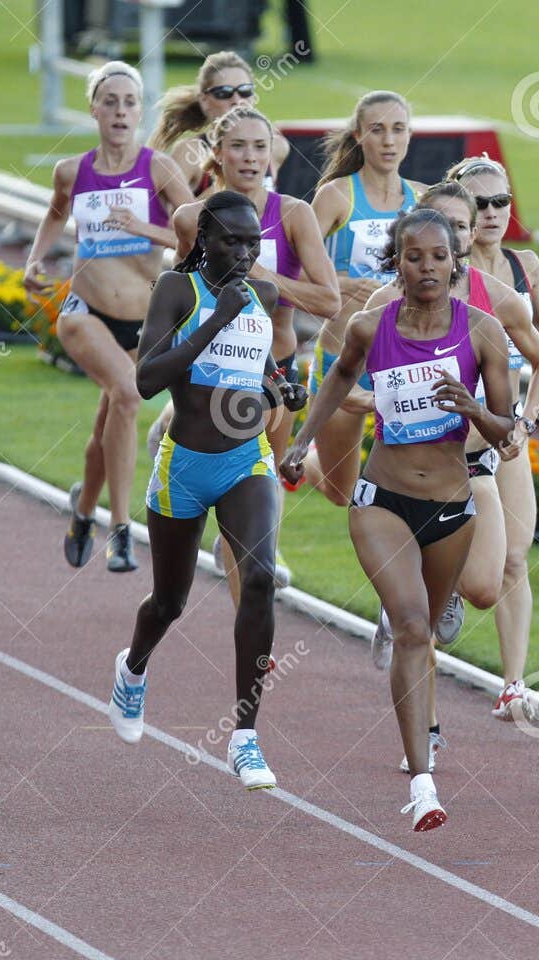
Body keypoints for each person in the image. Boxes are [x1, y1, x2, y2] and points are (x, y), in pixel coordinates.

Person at [281, 208, 514, 831]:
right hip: (381, 498)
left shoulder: (484, 332)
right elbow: (337, 381)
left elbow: (507, 431)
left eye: (439, 256)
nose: (428, 267)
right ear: (398, 262)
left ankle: (414, 683)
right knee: (413, 626)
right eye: (415, 256)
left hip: (452, 507)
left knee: (427, 631)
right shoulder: (369, 327)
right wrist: (303, 442)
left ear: (455, 262)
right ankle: (423, 782)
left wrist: (471, 408)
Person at [108, 191, 307, 790]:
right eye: (233, 241)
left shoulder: (265, 297)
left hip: (246, 460)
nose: (246, 254)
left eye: (255, 244)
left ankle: (245, 736)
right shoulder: (177, 290)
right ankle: (133, 669)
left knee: (262, 577)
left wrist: (284, 386)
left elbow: (262, 365)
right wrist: (215, 318)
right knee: (167, 603)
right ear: (204, 241)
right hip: (184, 467)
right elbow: (146, 380)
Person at [359, 181, 539, 764]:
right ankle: (430, 726)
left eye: (460, 229)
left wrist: (520, 419)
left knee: (484, 586)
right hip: (409, 468)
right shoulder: (385, 308)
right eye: (434, 231)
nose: (446, 243)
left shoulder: (497, 302)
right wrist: (387, 404)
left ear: (462, 242)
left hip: (477, 457)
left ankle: (421, 606)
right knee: (422, 622)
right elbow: (348, 385)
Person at [23, 61, 192, 574]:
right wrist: (36, 257)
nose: (120, 111)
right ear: (93, 108)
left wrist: (145, 227)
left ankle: (82, 510)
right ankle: (121, 530)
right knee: (125, 394)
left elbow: (197, 231)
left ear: (140, 111)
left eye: (129, 102)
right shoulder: (73, 172)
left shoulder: (158, 169)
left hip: (143, 322)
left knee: (107, 424)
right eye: (110, 101)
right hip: (84, 312)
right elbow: (56, 212)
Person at [169, 106, 340, 600]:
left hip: (276, 370)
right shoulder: (190, 220)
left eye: (260, 147)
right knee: (243, 486)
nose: (250, 157)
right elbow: (178, 300)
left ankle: (251, 592)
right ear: (217, 154)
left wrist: (265, 279)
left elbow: (328, 300)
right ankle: (250, 607)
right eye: (239, 146)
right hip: (212, 373)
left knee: (256, 487)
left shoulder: (292, 214)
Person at [443, 155, 539, 715]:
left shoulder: (523, 265)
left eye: (502, 201)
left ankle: (514, 684)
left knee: (516, 559)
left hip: (510, 431)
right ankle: (435, 590)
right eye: (481, 204)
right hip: (450, 439)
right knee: (469, 573)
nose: (494, 212)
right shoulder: (443, 270)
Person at [302, 91, 426, 508]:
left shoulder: (424, 201)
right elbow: (295, 272)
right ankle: (303, 464)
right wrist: (337, 283)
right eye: (377, 130)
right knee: (341, 492)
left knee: (412, 484)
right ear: (359, 136)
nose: (389, 141)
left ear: (410, 135)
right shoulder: (337, 196)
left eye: (398, 129)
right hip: (344, 362)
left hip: (406, 363)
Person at [151, 51, 290, 197]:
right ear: (204, 100)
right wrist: (227, 187)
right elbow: (169, 218)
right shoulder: (190, 153)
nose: (237, 101)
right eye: (224, 93)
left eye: (245, 91)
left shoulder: (277, 147)